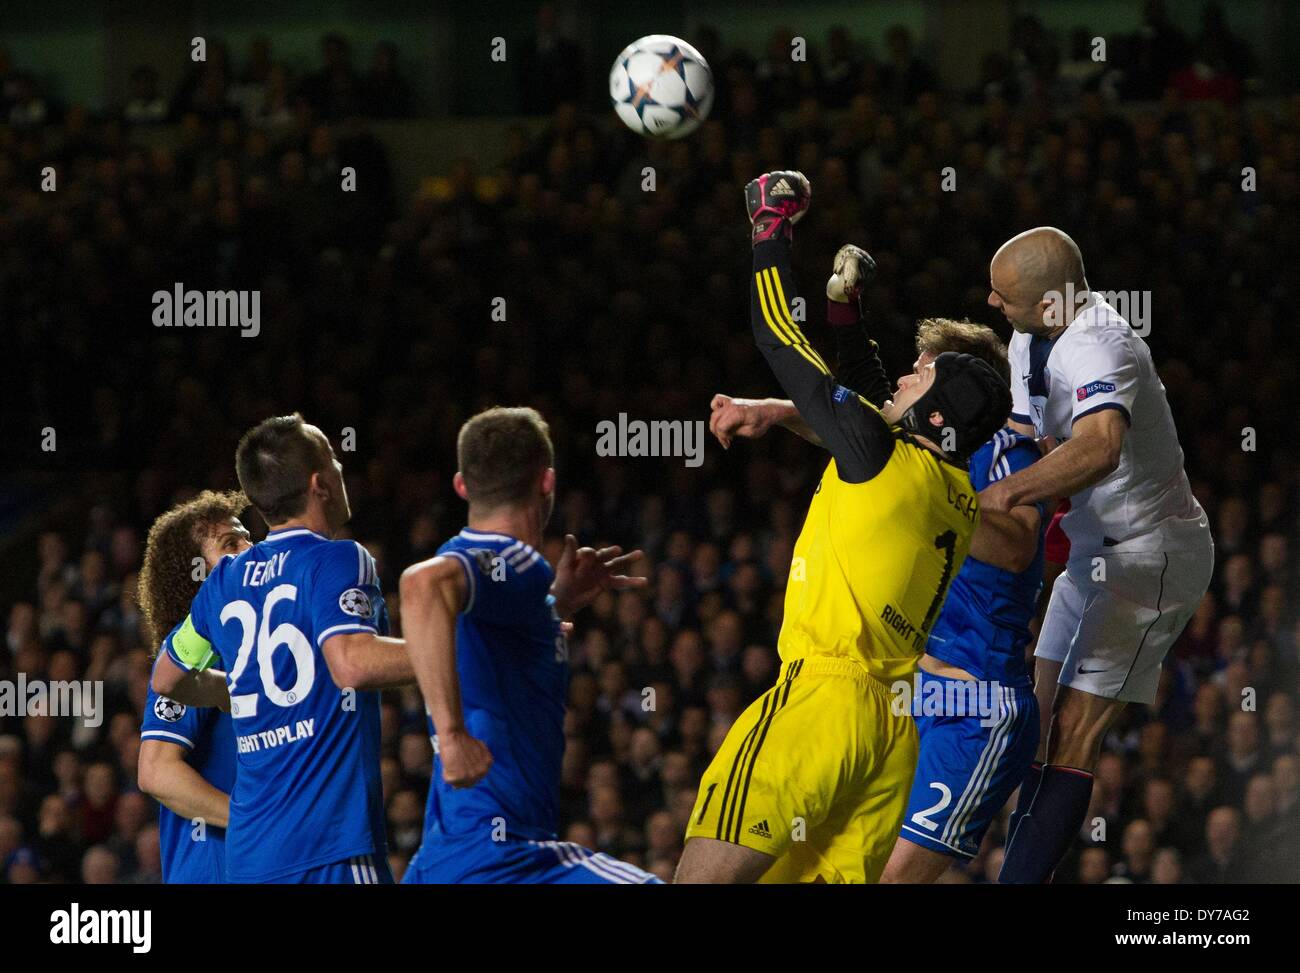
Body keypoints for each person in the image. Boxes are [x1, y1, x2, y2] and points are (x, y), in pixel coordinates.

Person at [675, 171, 1009, 883]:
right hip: (889, 733)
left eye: (917, 379)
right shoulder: (955, 491)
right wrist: (844, 308)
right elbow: (868, 392)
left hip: (822, 700)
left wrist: (770, 231)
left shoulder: (877, 453)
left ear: (935, 416)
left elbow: (775, 335)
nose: (901, 381)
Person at [712, 318, 1045, 882]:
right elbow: (859, 439)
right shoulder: (913, 458)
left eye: (922, 371)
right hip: (905, 693)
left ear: (955, 396)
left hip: (975, 702)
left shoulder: (1009, 453)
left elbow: (1017, 549)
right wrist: (773, 409)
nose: (905, 377)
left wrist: (940, 501)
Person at [983, 226, 1214, 883]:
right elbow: (1024, 435)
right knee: (1035, 718)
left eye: (1005, 295)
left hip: (1152, 556)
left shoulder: (1103, 345)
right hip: (1091, 551)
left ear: (1051, 303)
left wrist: (998, 497)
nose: (992, 302)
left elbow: (1100, 445)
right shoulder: (1031, 335)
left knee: (1074, 734)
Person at [399, 406, 659, 883]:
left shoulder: (513, 585)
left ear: (462, 485)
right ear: (546, 482)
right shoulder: (513, 556)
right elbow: (420, 587)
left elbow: (489, 647)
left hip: (449, 856)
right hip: (500, 857)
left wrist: (552, 607)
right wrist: (452, 735)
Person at [152, 414, 415, 883]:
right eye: (334, 460)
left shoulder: (222, 584)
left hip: (252, 861)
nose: (340, 468)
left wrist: (228, 691)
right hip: (329, 849)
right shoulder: (339, 557)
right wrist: (462, 649)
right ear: (321, 484)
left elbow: (166, 679)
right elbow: (353, 663)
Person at [137, 490, 250, 883]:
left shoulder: (251, 644)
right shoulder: (196, 652)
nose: (250, 548)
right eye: (230, 544)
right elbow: (156, 771)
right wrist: (252, 821)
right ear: (194, 571)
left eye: (247, 536)